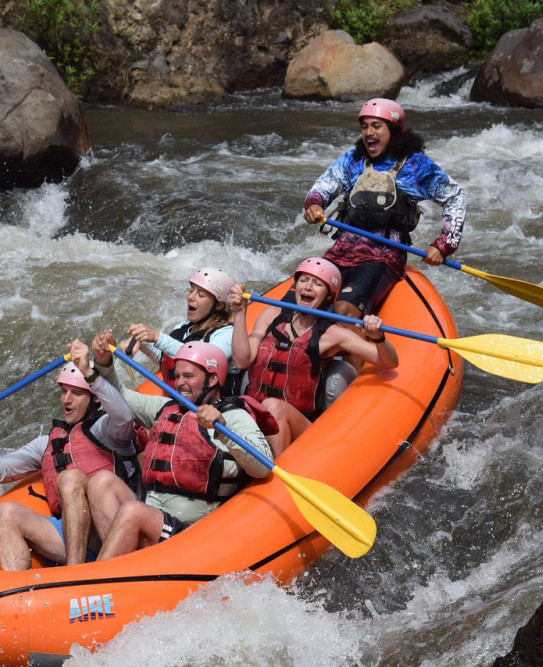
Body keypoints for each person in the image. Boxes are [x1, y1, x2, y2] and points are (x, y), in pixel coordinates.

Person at [85, 334, 276, 560]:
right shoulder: (166, 407)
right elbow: (120, 396)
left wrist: (223, 430)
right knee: (100, 482)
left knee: (132, 512)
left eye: (188, 376)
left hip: (191, 532)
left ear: (212, 380)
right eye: (177, 376)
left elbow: (264, 465)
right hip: (154, 518)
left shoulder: (233, 415)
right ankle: (124, 570)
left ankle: (104, 578)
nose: (179, 383)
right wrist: (103, 361)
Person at [0, 339, 140, 571]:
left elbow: (125, 417)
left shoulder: (107, 430)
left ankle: (74, 576)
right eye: (63, 391)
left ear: (94, 397)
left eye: (76, 393)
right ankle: (18, 598)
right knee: (4, 513)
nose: (66, 399)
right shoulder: (48, 443)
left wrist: (88, 372)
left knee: (70, 477)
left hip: (114, 527)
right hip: (76, 534)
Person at [302, 98, 467, 320]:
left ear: (393, 130)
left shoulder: (416, 166)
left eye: (376, 126)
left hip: (383, 257)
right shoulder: (353, 160)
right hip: (341, 251)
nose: (369, 132)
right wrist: (314, 203)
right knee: (299, 306)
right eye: (364, 126)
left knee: (344, 311)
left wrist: (443, 245)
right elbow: (323, 186)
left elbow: (455, 198)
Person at [228, 256, 399, 456]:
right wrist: (239, 313)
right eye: (303, 280)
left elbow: (389, 362)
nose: (308, 287)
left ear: (328, 295)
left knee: (273, 407)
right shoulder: (271, 315)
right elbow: (241, 360)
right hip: (253, 412)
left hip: (300, 425)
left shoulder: (332, 334)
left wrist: (378, 337)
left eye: (317, 284)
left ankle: (273, 469)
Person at [124, 267, 238, 390]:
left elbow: (201, 361)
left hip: (211, 406)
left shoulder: (227, 334)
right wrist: (141, 342)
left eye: (200, 295)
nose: (191, 297)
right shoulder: (183, 327)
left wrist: (157, 337)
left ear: (219, 305)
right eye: (191, 291)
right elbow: (167, 360)